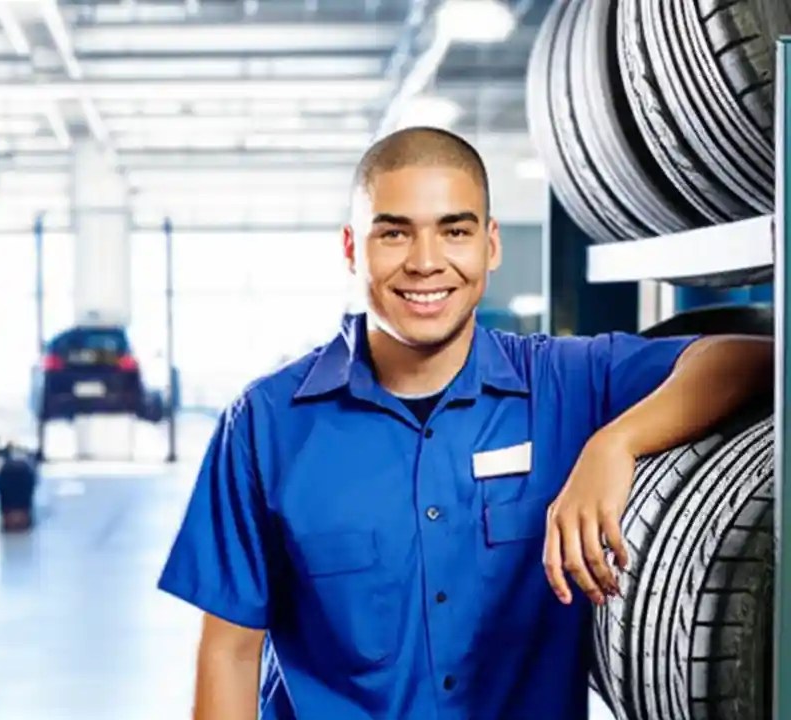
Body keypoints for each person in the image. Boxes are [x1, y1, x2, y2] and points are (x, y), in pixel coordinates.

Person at [156, 126, 773, 719]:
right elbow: (230, 653)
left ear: (490, 244)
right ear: (353, 248)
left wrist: (619, 442)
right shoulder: (265, 425)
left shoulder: (566, 384)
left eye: (454, 231)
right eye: (394, 234)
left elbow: (751, 358)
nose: (426, 263)